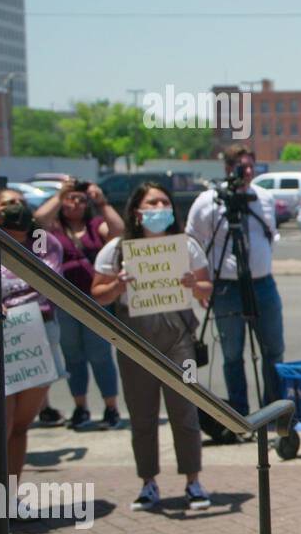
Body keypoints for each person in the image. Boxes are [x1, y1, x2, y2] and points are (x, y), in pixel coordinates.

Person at [90, 183, 214, 510]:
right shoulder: (117, 249)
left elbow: (206, 290)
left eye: (164, 202)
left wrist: (194, 284)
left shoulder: (186, 246)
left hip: (177, 335)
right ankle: (148, 483)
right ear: (136, 210)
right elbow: (97, 293)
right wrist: (117, 284)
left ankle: (193, 481)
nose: (160, 207)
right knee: (142, 414)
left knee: (184, 410)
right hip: (134, 335)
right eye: (152, 202)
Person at [186, 145, 285, 416]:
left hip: (263, 284)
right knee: (232, 355)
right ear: (229, 168)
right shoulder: (209, 201)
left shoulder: (263, 197)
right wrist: (202, 282)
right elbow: (193, 242)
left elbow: (269, 236)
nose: (249, 172)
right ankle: (239, 412)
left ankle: (273, 410)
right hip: (227, 287)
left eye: (253, 166)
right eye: (243, 167)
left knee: (274, 351)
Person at [0, 187, 68, 499]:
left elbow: (48, 284)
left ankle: (10, 497)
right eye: (8, 203)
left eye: (21, 203)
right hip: (0, 338)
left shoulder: (45, 243)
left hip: (37, 335)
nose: (16, 208)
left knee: (21, 425)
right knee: (2, 424)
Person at [33, 177, 125, 428]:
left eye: (80, 200)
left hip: (96, 301)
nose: (75, 203)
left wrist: (102, 202)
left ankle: (111, 409)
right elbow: (37, 220)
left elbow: (119, 232)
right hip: (64, 301)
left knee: (101, 356)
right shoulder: (51, 229)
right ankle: (81, 407)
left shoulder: (96, 226)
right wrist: (60, 194)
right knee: (73, 357)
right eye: (70, 199)